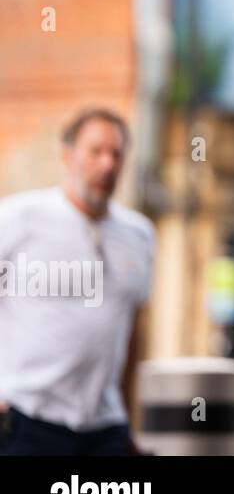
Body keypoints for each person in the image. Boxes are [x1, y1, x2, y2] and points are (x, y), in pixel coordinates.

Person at [0, 108, 153, 456]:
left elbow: (133, 332)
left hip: (106, 429)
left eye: (116, 154)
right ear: (68, 156)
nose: (107, 164)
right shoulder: (18, 219)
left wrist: (129, 421)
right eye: (96, 151)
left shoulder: (139, 234)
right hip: (27, 423)